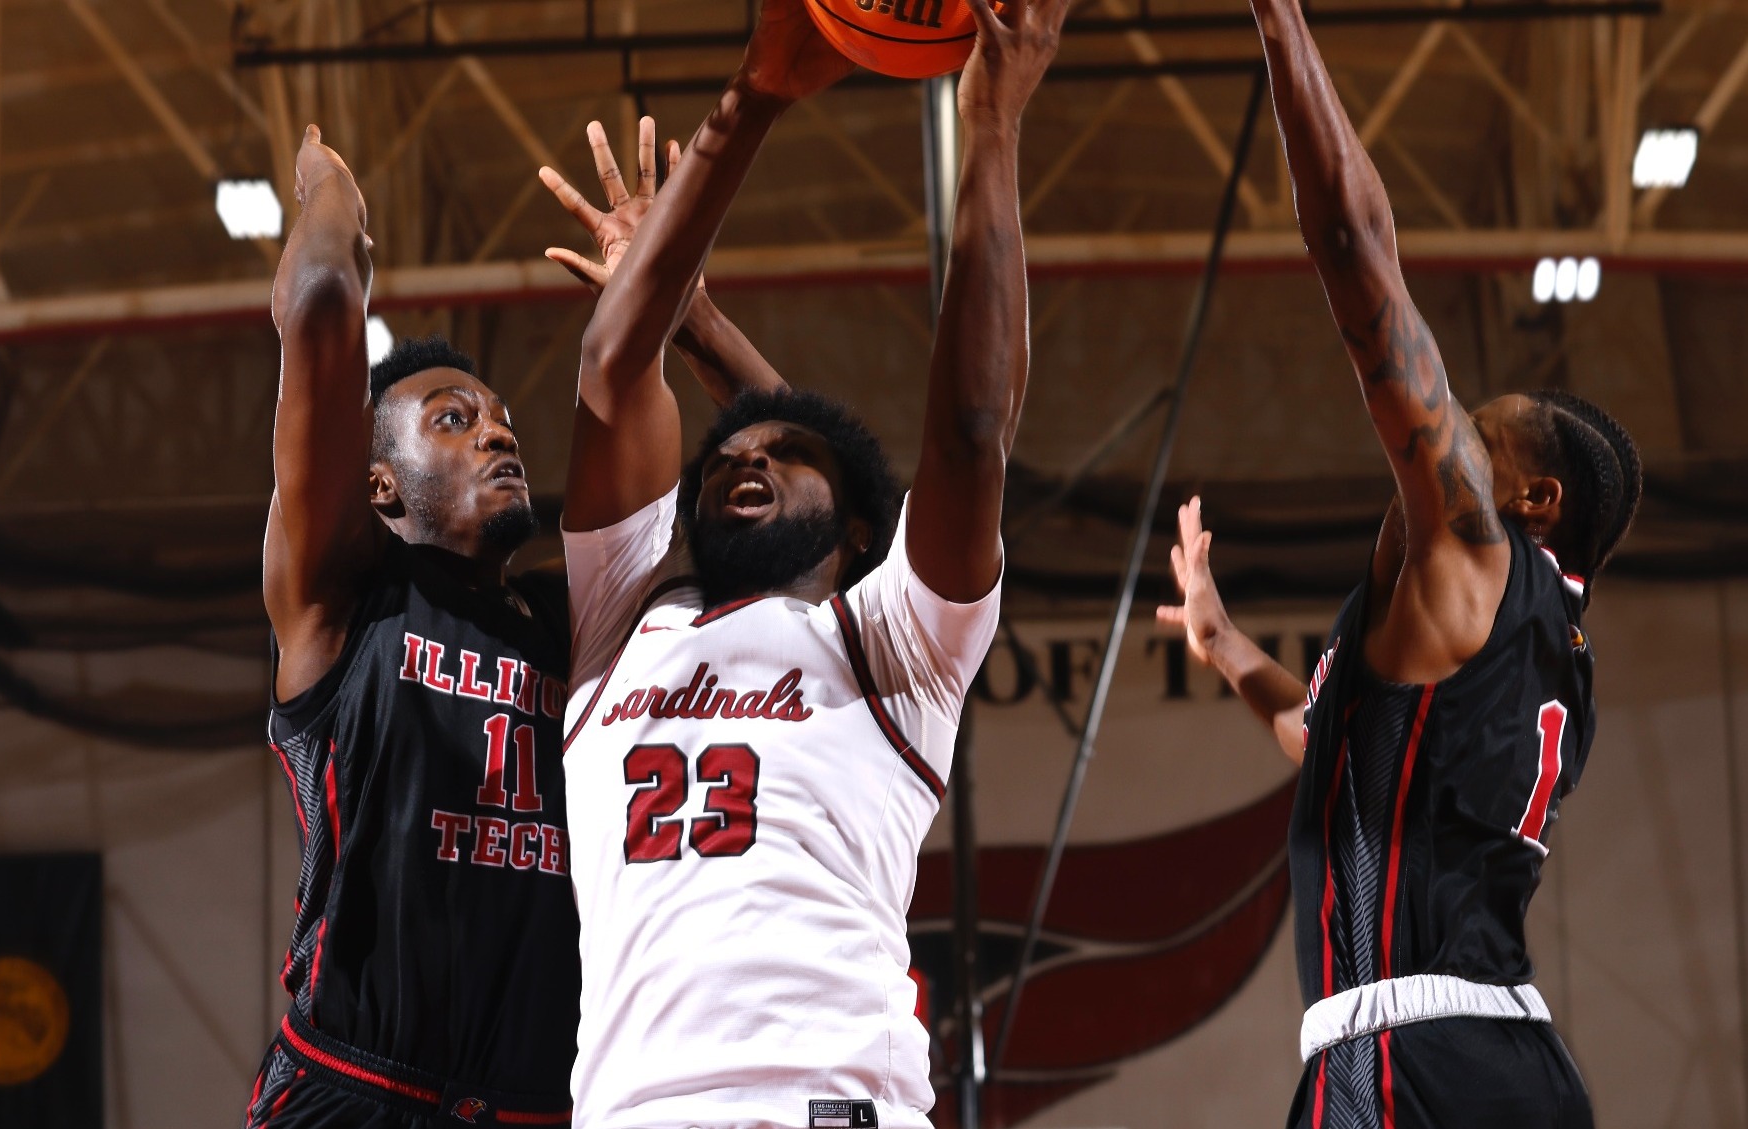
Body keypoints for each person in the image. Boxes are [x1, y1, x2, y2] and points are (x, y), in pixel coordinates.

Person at [554, 0, 1068, 1123]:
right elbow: (609, 366)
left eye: (787, 456)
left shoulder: (892, 642)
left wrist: (991, 125)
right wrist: (745, 107)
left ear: (855, 536)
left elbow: (969, 435)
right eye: (729, 452)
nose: (746, 455)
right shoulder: (620, 614)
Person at [1154, 2, 1643, 1125]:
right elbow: (1341, 748)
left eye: (1482, 433)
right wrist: (1228, 647)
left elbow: (1356, 256)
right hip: (1499, 1063)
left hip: (1406, 1062)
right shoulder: (1542, 656)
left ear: (1530, 498)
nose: (1452, 435)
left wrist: (1279, 24)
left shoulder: (1476, 552)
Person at [249, 122, 777, 1129]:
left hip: (552, 1106)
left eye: (499, 418)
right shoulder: (343, 598)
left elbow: (812, 499)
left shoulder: (577, 623)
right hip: (357, 1093)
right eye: (451, 419)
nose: (496, 428)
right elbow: (320, 302)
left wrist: (687, 314)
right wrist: (329, 195)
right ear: (379, 486)